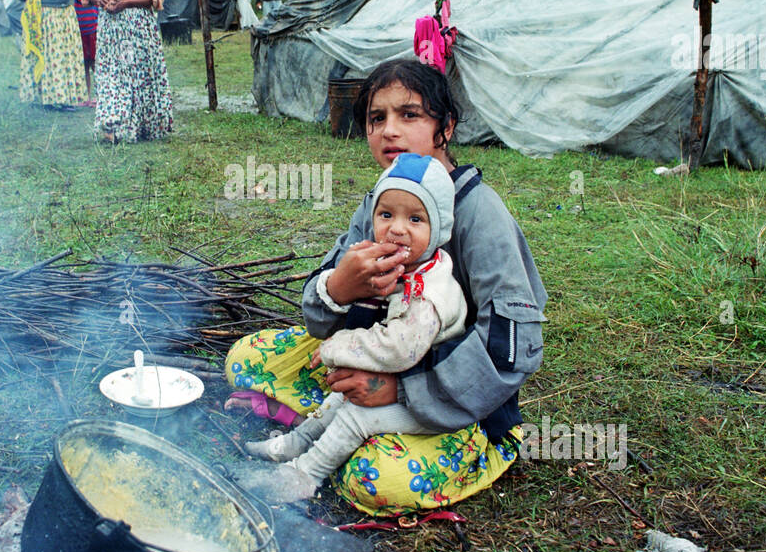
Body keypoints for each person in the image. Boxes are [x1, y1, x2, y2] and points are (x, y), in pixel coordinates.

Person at [224, 59, 547, 515]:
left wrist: (400, 389)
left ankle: (468, 449)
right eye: (377, 119)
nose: (389, 131)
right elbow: (317, 321)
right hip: (374, 354)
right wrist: (338, 287)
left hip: (455, 392)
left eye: (409, 115)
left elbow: (512, 346)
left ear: (446, 127)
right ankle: (344, 421)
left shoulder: (479, 212)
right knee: (247, 360)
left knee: (371, 480)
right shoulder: (380, 204)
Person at [236, 153, 469, 503]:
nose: (397, 228)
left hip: (438, 398)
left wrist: (337, 345)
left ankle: (304, 475)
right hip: (409, 379)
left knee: (357, 414)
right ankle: (294, 444)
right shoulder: (407, 265)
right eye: (386, 214)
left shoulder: (429, 292)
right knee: (341, 396)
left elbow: (399, 348)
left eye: (416, 218)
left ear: (439, 229)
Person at [81, 0, 172, 143]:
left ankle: (143, 128)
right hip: (110, 23)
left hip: (139, 22)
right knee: (112, 74)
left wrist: (126, 2)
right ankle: (112, 127)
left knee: (139, 75)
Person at [16, 0, 84, 109]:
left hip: (58, 15)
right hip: (36, 16)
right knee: (39, 56)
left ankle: (60, 98)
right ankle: (40, 97)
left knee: (57, 57)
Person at [70, 0, 99, 105]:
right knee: (85, 66)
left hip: (93, 33)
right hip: (81, 34)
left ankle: (99, 96)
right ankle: (87, 97)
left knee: (95, 65)